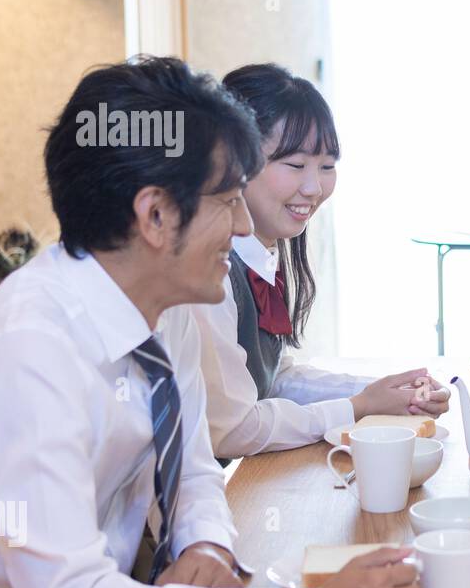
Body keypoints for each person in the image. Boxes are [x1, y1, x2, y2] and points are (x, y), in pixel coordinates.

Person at [0, 58, 420, 588]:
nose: (243, 226)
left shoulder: (165, 308)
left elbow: (192, 466)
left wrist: (207, 548)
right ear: (155, 216)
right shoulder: (31, 350)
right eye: (226, 201)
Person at [192, 63, 448, 461]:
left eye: (327, 166)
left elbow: (272, 378)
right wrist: (358, 406)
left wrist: (385, 392)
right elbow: (233, 430)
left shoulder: (263, 253)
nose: (314, 188)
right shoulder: (210, 275)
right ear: (234, 161)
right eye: (295, 165)